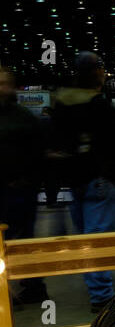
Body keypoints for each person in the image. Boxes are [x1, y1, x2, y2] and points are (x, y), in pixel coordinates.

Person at [50, 52, 115, 311]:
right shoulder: (99, 104)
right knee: (98, 238)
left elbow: (56, 142)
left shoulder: (61, 103)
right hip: (100, 177)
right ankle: (102, 295)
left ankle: (96, 286)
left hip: (75, 179)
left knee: (85, 236)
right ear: (95, 72)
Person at [0, 66, 50, 306]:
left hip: (19, 191)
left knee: (22, 241)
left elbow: (38, 154)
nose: (1, 88)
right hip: (11, 189)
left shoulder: (23, 117)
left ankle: (32, 287)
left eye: (4, 83)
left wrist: (27, 182)